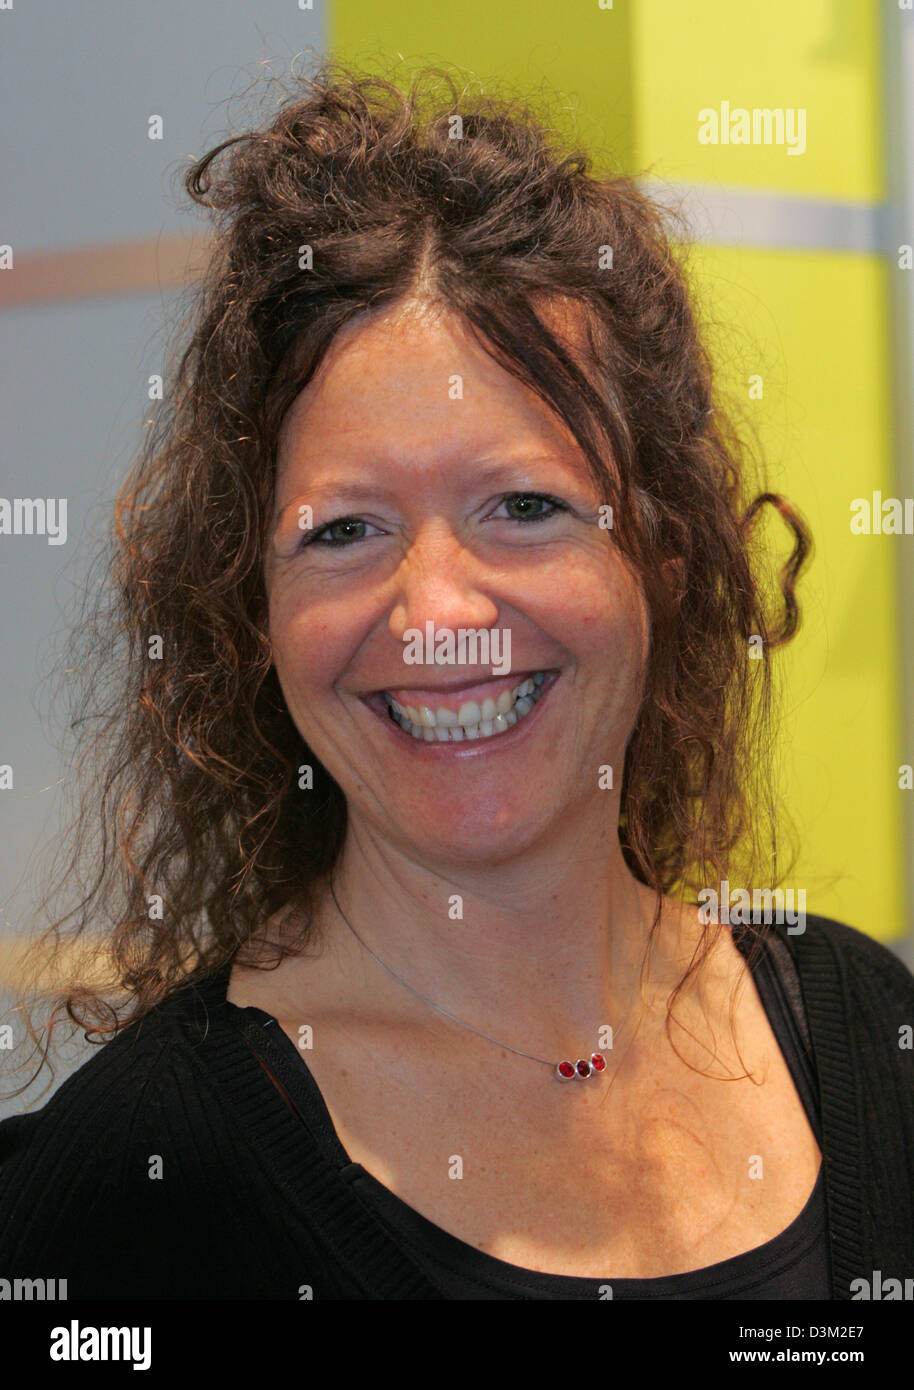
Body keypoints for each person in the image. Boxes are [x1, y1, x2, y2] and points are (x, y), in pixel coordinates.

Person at [2, 61, 912, 1302]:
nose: (435, 614)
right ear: (252, 617)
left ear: (665, 556)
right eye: (343, 531)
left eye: (524, 507)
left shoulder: (865, 1032)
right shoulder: (143, 1186)